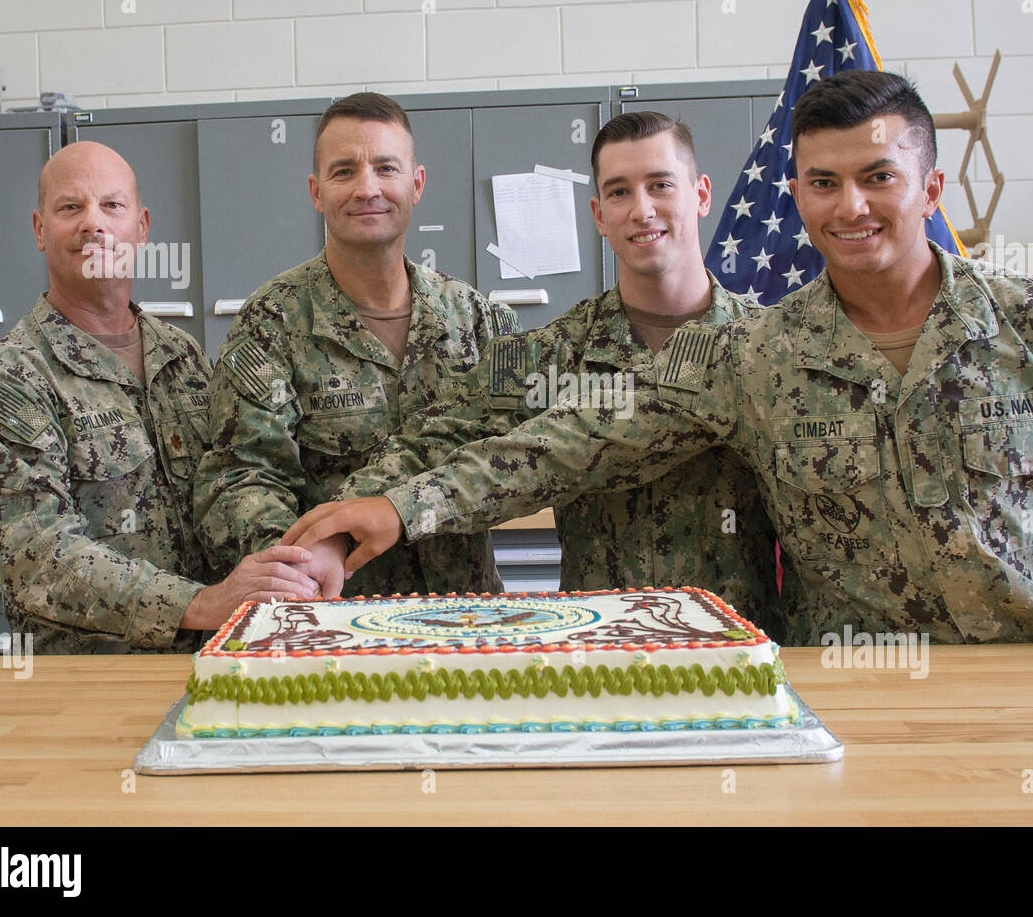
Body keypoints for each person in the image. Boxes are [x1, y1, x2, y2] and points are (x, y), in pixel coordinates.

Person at [283, 71, 1033, 673]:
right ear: (796, 194)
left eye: (878, 177)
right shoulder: (751, 355)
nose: (849, 205)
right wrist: (397, 509)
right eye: (821, 183)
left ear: (930, 188)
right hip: (845, 684)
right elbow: (567, 444)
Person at [330, 112, 798, 641]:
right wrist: (336, 525)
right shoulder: (551, 354)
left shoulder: (765, 351)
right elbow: (438, 438)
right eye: (619, 192)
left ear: (701, 194)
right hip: (597, 660)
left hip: (740, 657)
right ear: (599, 214)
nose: (642, 210)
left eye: (661, 185)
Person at [0, 142, 324, 653]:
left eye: (112, 205)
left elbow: (233, 481)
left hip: (218, 661)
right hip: (93, 686)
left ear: (142, 227)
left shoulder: (184, 355)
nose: (93, 223)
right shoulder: (11, 380)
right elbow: (37, 556)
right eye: (71, 207)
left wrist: (281, 564)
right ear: (40, 230)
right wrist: (202, 604)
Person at [192, 92, 518, 600]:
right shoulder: (271, 323)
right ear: (316, 192)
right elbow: (241, 479)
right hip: (332, 615)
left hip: (464, 616)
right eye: (344, 171)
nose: (367, 188)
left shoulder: (476, 319)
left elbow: (513, 455)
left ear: (417, 183)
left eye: (386, 168)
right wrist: (305, 562)